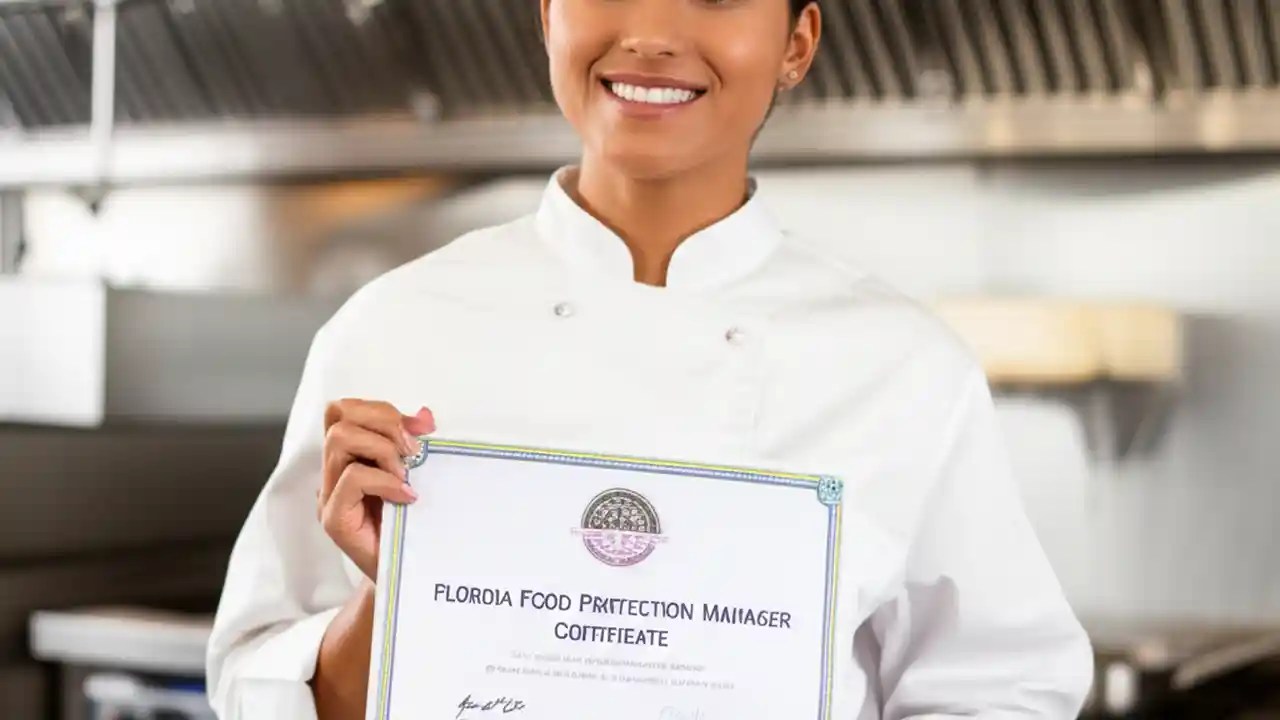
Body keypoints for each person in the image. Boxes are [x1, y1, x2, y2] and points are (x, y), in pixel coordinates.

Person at [207, 0, 1093, 717]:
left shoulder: (904, 368)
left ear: (798, 41)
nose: (653, 34)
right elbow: (253, 688)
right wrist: (402, 601)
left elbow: (1002, 694)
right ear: (547, 15)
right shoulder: (391, 329)